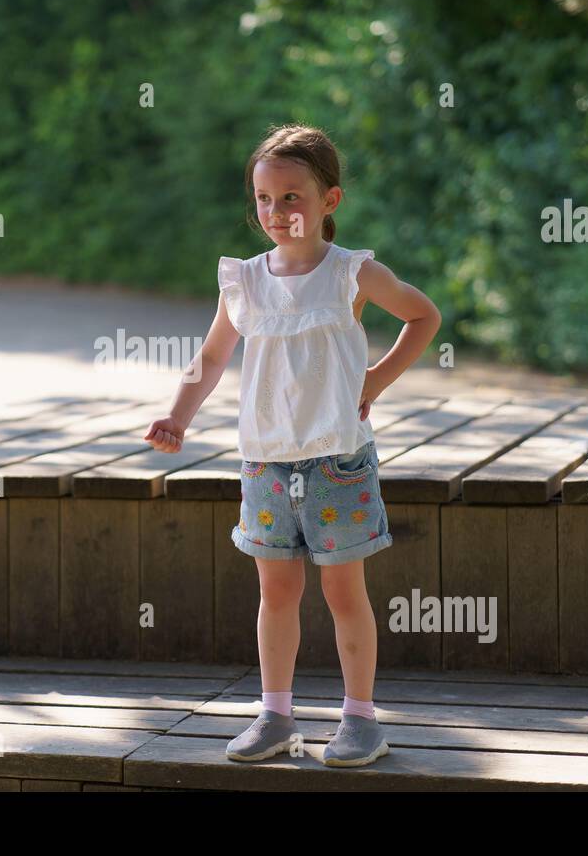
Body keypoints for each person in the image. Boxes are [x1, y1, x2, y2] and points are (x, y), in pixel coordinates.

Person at [143, 122, 442, 766]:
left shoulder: (351, 274)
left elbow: (424, 317)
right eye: (263, 199)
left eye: (292, 197)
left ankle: (360, 721)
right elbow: (212, 356)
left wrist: (373, 381)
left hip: (337, 459)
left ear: (329, 200)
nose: (276, 213)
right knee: (276, 592)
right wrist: (176, 416)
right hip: (265, 461)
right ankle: (275, 715)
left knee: (342, 594)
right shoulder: (245, 282)